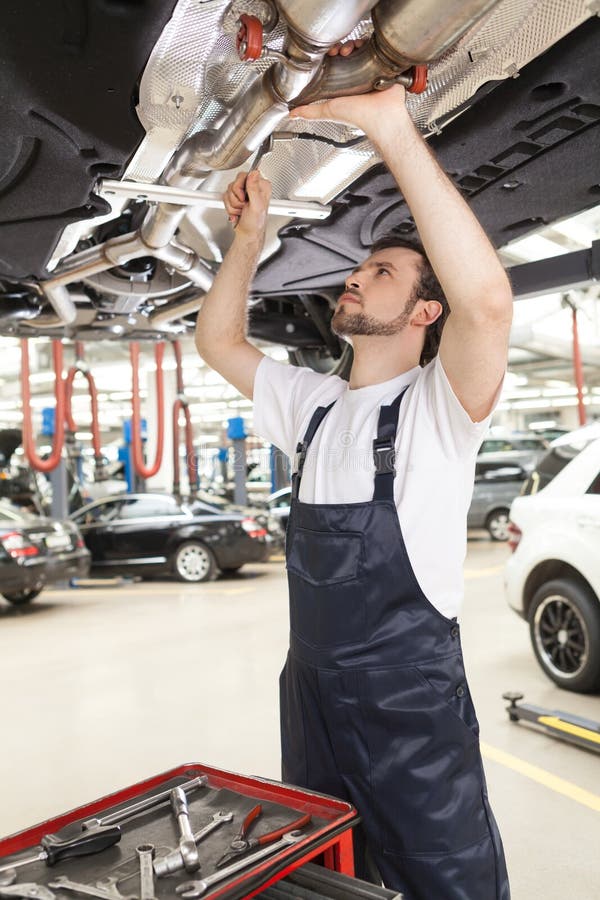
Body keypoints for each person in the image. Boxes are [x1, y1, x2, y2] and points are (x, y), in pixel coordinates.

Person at [194, 81, 513, 900]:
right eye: (361, 267)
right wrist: (250, 235)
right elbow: (218, 338)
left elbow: (486, 301)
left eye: (381, 272)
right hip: (312, 699)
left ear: (422, 313)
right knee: (324, 876)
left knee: (445, 881)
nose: (356, 279)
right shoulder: (313, 404)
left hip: (410, 712)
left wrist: (388, 130)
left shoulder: (441, 411)